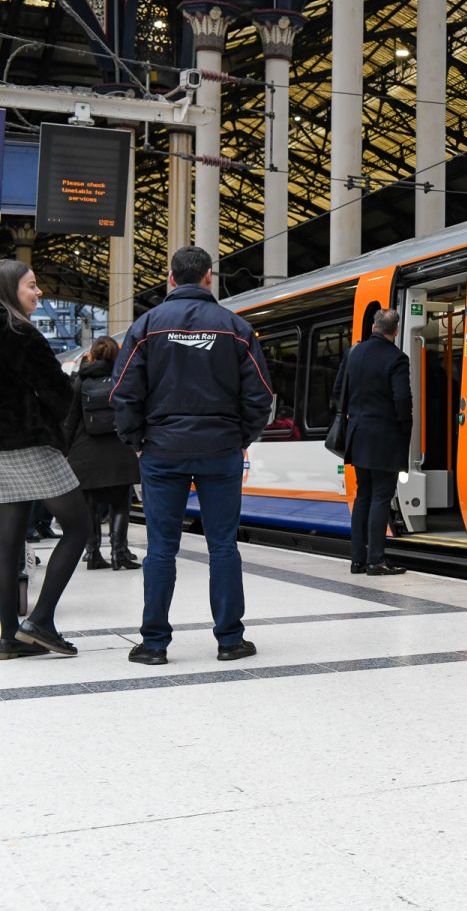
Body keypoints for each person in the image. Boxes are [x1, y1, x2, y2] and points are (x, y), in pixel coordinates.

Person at [111, 246, 273, 666]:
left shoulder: (145, 326)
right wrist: (242, 438)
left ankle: (154, 645)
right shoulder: (236, 328)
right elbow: (261, 395)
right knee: (223, 546)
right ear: (208, 278)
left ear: (170, 278)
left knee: (161, 549)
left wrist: (137, 441)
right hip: (220, 451)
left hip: (161, 452)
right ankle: (230, 641)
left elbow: (123, 392)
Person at [0, 259, 91, 659]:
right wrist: (55, 423)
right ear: (9, 289)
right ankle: (41, 620)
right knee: (79, 527)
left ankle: (8, 637)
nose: (38, 293)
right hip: (30, 444)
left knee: (7, 547)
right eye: (31, 286)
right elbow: (58, 392)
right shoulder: (20, 333)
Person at [333, 308, 412, 576]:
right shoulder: (397, 359)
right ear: (396, 331)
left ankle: (357, 560)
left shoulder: (353, 354)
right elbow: (402, 400)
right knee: (381, 496)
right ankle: (376, 560)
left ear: (374, 326)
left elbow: (337, 392)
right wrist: (404, 429)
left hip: (357, 435)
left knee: (363, 495)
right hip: (385, 438)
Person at [62, 336, 142, 571]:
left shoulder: (80, 380)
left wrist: (64, 449)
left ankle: (93, 554)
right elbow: (134, 413)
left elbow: (71, 419)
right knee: (120, 504)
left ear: (92, 356)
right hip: (119, 450)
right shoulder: (123, 378)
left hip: (86, 452)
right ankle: (119, 554)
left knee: (89, 507)